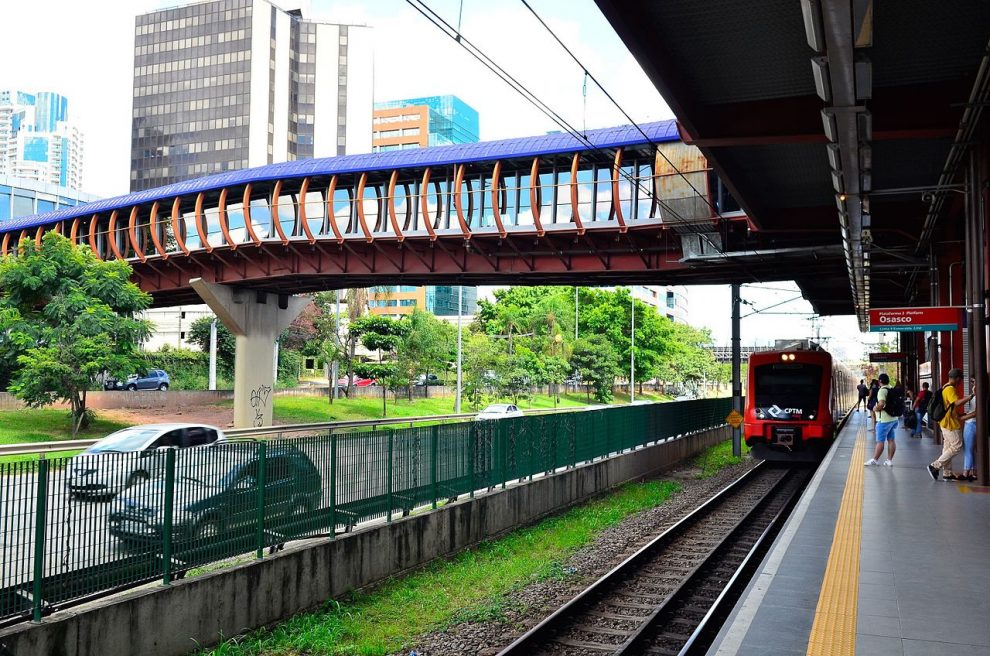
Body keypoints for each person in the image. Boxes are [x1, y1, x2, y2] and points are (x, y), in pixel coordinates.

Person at [928, 368, 975, 481]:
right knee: (956, 446)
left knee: (948, 447)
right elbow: (956, 403)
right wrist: (971, 396)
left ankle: (947, 473)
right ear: (957, 378)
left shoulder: (945, 386)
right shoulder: (950, 389)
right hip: (950, 423)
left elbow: (950, 406)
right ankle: (935, 466)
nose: (961, 382)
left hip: (944, 422)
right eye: (961, 380)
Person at [866, 373, 898, 466]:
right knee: (891, 440)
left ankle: (875, 460)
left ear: (880, 381)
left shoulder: (882, 391)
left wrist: (875, 408)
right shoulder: (891, 388)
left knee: (880, 441)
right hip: (893, 419)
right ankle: (889, 460)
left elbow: (881, 404)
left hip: (884, 420)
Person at [961, 378, 977, 481]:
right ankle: (973, 472)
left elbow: (976, 412)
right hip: (973, 423)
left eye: (974, 381)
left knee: (968, 449)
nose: (973, 384)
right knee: (972, 449)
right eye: (972, 382)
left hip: (971, 423)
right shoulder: (976, 395)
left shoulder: (978, 395)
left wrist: (961, 418)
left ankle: (966, 472)